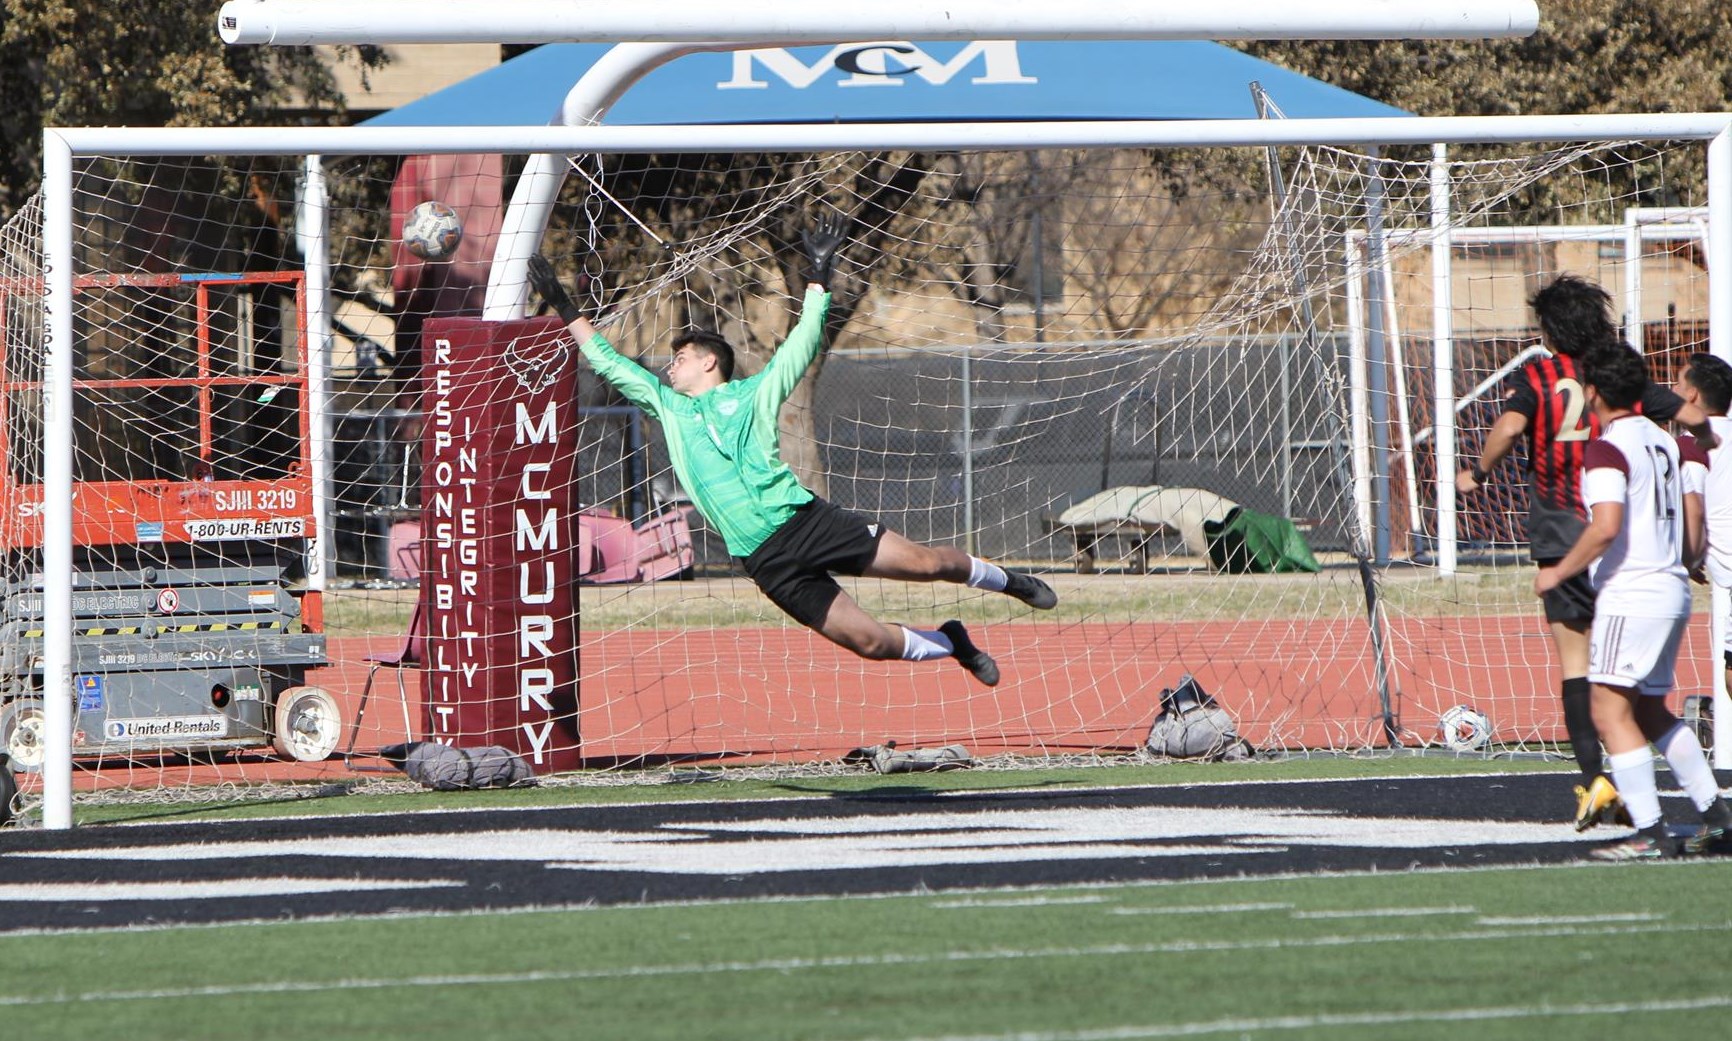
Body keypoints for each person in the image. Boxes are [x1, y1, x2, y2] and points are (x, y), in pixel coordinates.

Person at [525, 214, 1056, 687]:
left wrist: (819, 278)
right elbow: (611, 362)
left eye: (681, 356)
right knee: (869, 642)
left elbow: (801, 345)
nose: (671, 364)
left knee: (925, 563)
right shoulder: (667, 406)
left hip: (804, 523)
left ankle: (1011, 581)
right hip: (764, 558)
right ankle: (953, 643)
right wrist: (567, 306)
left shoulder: (753, 394)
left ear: (710, 363)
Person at [1457, 274, 1714, 830]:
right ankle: (1701, 805)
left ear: (1550, 329)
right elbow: (1693, 418)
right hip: (1633, 547)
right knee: (1639, 693)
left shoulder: (1541, 374)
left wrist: (1478, 472)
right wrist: (1699, 452)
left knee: (1579, 666)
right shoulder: (1620, 375)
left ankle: (1598, 785)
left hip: (1566, 534)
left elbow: (1508, 426)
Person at [1534, 345, 1732, 859]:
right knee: (1649, 709)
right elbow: (1692, 517)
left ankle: (1650, 831)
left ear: (1592, 392)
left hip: (1634, 593)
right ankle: (1716, 815)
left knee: (1608, 710)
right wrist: (1687, 562)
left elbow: (1605, 527)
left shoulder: (1608, 448)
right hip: (1670, 587)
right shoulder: (1665, 442)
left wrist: (1558, 570)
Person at [1673, 352, 1732, 853]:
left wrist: (1689, 557)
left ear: (1692, 395)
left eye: (1676, 383)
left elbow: (1690, 510)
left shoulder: (1692, 444)